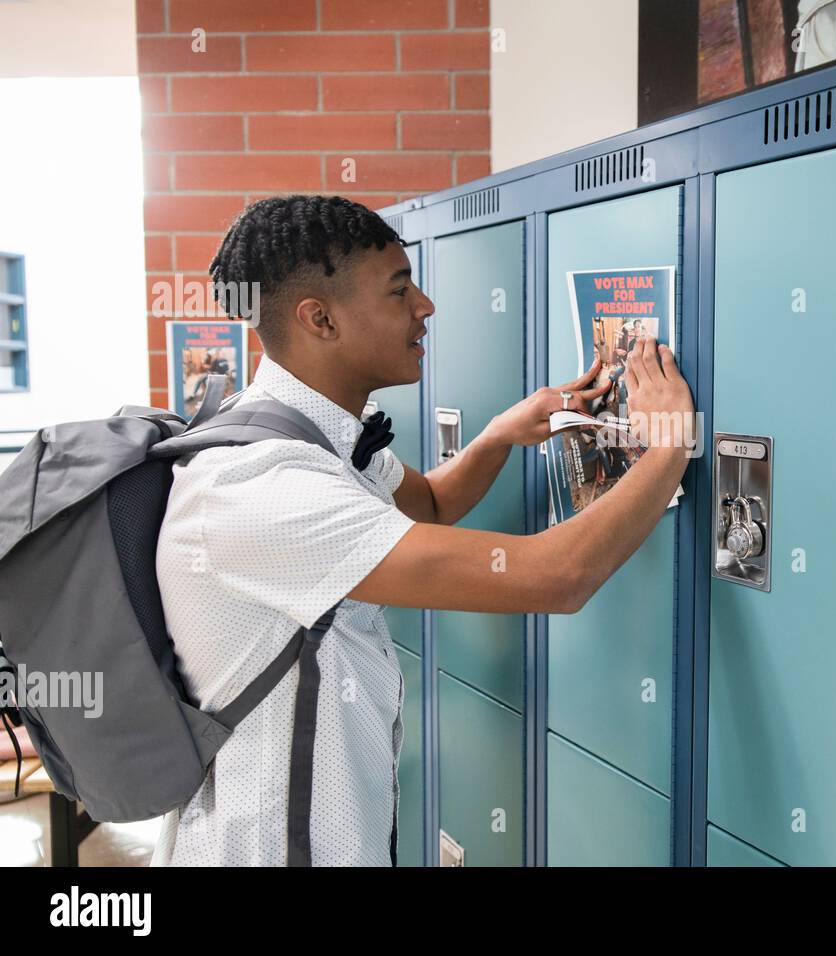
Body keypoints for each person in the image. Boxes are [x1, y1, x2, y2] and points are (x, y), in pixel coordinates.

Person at [150, 195, 694, 866]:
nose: (425, 307)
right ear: (319, 318)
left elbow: (431, 503)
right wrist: (669, 447)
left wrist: (497, 436)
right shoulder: (263, 485)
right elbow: (558, 576)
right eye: (400, 290)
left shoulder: (314, 434)